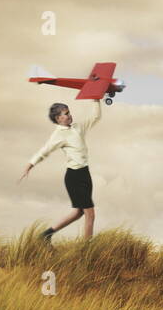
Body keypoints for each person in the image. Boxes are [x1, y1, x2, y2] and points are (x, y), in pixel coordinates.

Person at [20, 98, 102, 240]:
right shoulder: (58, 135)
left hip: (85, 174)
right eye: (66, 113)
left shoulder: (78, 127)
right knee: (90, 213)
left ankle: (45, 235)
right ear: (58, 118)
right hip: (74, 177)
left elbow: (96, 117)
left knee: (78, 213)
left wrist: (96, 99)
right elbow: (44, 151)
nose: (70, 115)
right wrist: (30, 164)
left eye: (69, 112)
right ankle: (87, 249)